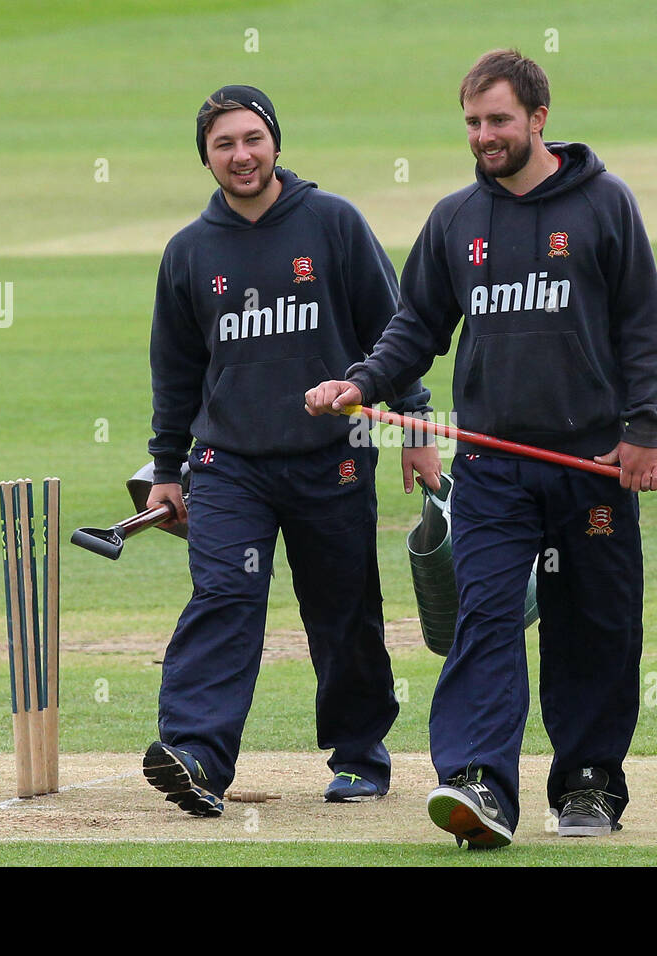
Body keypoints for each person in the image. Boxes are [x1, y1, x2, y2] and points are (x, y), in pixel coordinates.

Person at [305, 50, 657, 848]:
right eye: (473, 123)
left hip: (590, 465)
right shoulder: (455, 221)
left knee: (593, 623)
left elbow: (642, 323)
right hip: (492, 464)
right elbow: (417, 328)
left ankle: (587, 783)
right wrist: (361, 383)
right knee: (487, 615)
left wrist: (643, 431)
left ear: (539, 118)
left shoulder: (606, 205)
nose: (484, 136)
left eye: (498, 120)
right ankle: (478, 781)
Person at [142, 84, 441, 817]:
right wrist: (167, 471)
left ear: (275, 140)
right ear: (206, 156)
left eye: (252, 139)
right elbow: (176, 373)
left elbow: (394, 330)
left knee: (342, 610)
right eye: (224, 144)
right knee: (224, 597)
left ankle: (360, 755)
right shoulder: (188, 252)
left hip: (330, 458)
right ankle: (198, 756)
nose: (241, 155)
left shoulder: (333, 223)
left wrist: (417, 426)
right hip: (227, 466)